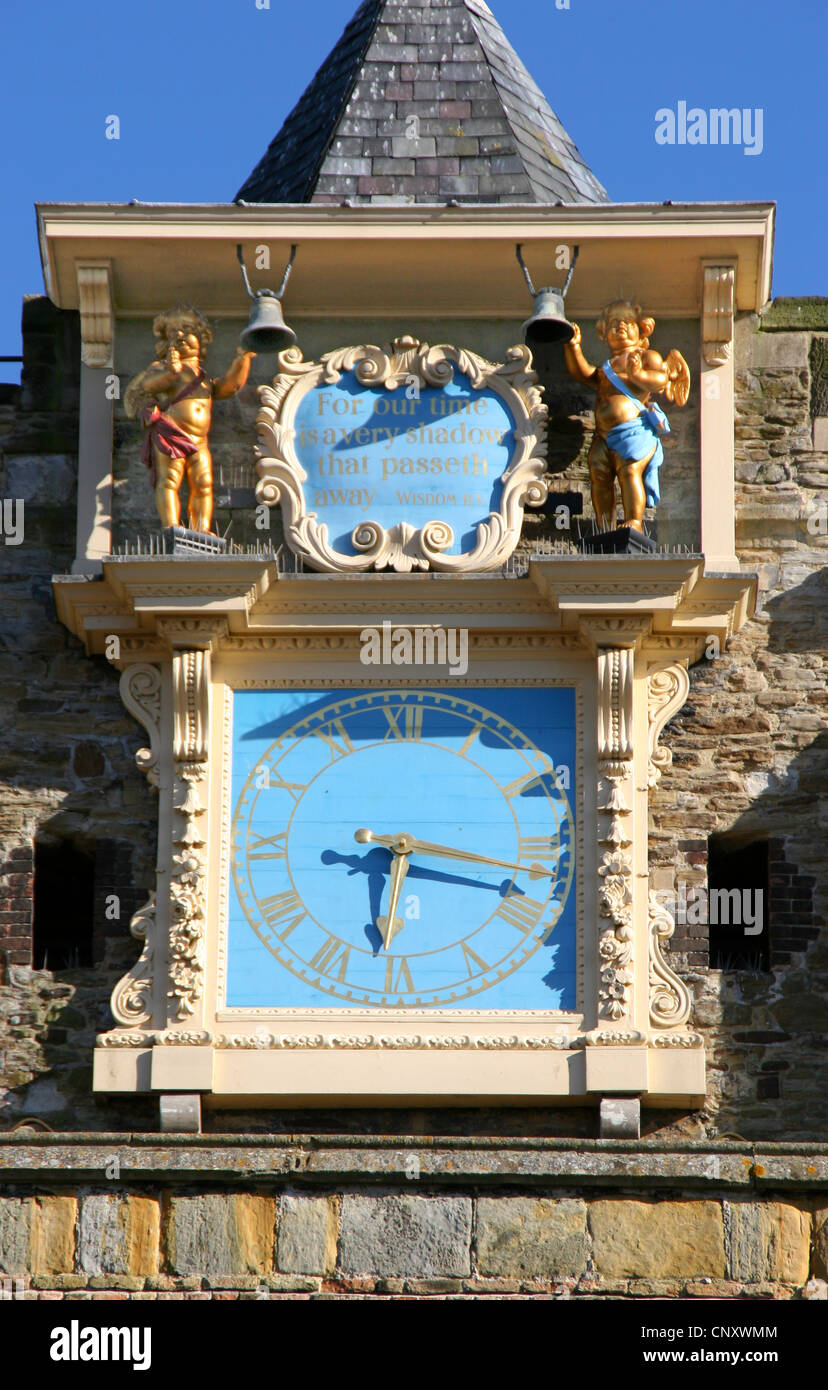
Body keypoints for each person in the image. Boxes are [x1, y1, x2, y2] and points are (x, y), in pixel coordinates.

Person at [125, 307, 255, 533]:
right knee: (169, 480)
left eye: (187, 330)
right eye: (174, 332)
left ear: (202, 338)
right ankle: (171, 526)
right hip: (170, 433)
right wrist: (171, 373)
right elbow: (147, 386)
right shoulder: (162, 367)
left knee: (204, 483)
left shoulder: (203, 377)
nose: (181, 336)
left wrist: (243, 359)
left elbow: (229, 386)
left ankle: (201, 530)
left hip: (199, 441)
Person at [563, 301, 690, 531]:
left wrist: (638, 374)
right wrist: (574, 348)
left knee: (630, 472)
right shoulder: (606, 367)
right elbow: (583, 373)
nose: (620, 326)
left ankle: (635, 520)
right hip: (602, 435)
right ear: (604, 333)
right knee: (599, 475)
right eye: (613, 323)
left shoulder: (646, 357)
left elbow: (661, 380)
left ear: (641, 330)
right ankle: (604, 527)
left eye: (627, 322)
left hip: (632, 431)